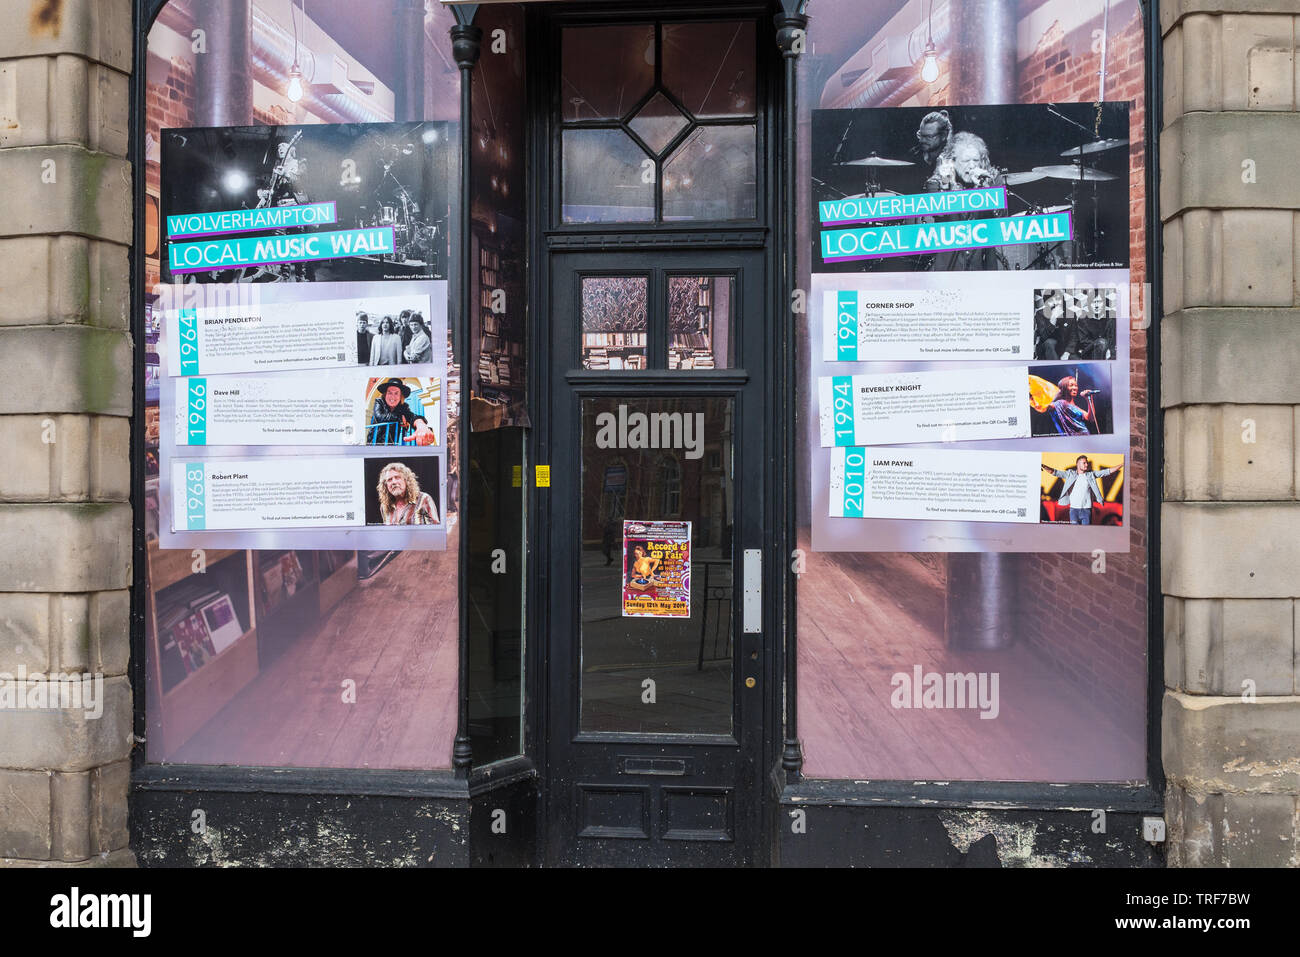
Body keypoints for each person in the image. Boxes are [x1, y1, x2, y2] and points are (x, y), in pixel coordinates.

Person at [925, 131, 1008, 270]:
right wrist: (947, 183)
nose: (971, 166)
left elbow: (1002, 216)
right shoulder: (938, 181)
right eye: (965, 161)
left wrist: (984, 189)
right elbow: (938, 212)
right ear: (953, 161)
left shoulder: (991, 179)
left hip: (983, 264)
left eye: (975, 160)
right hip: (950, 266)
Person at [1042, 455, 1120, 525]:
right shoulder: (1070, 474)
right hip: (1073, 510)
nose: (1086, 465)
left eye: (1087, 463)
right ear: (1078, 464)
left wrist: (1122, 465)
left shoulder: (1091, 475)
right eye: (1084, 463)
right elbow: (1055, 472)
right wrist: (1045, 467)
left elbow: (1107, 472)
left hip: (1086, 510)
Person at [369, 377, 435, 446]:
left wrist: (420, 424)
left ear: (401, 396)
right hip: (374, 443)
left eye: (396, 393)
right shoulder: (379, 402)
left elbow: (412, 416)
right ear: (385, 394)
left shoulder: (403, 407)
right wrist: (400, 418)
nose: (393, 397)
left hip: (391, 444)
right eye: (390, 393)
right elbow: (380, 417)